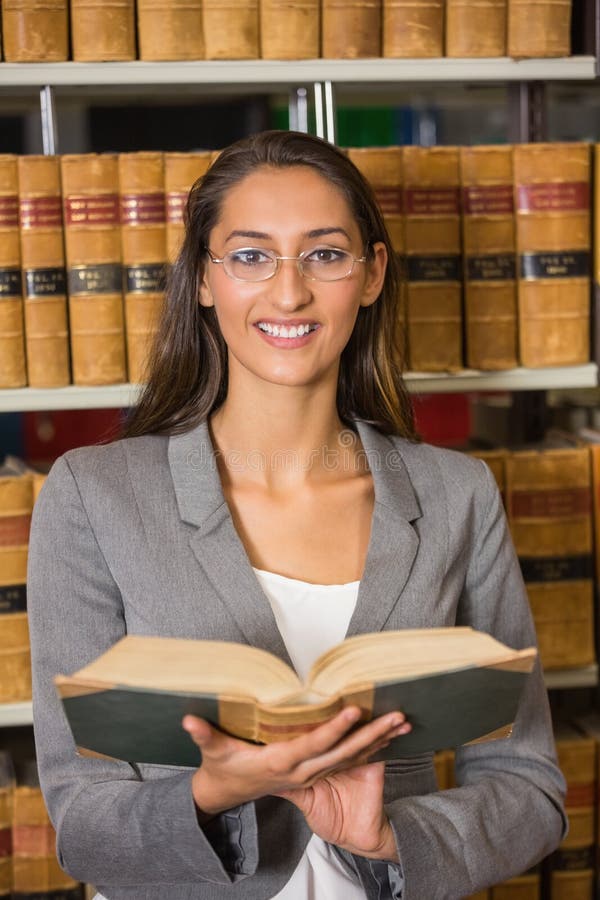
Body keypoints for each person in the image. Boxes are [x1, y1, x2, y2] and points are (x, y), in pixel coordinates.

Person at [27, 130, 566, 900]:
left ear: (371, 274)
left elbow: (529, 785)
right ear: (205, 280)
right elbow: (82, 822)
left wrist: (393, 838)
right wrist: (213, 795)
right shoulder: (94, 496)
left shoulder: (458, 496)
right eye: (250, 256)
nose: (289, 293)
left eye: (324, 254)